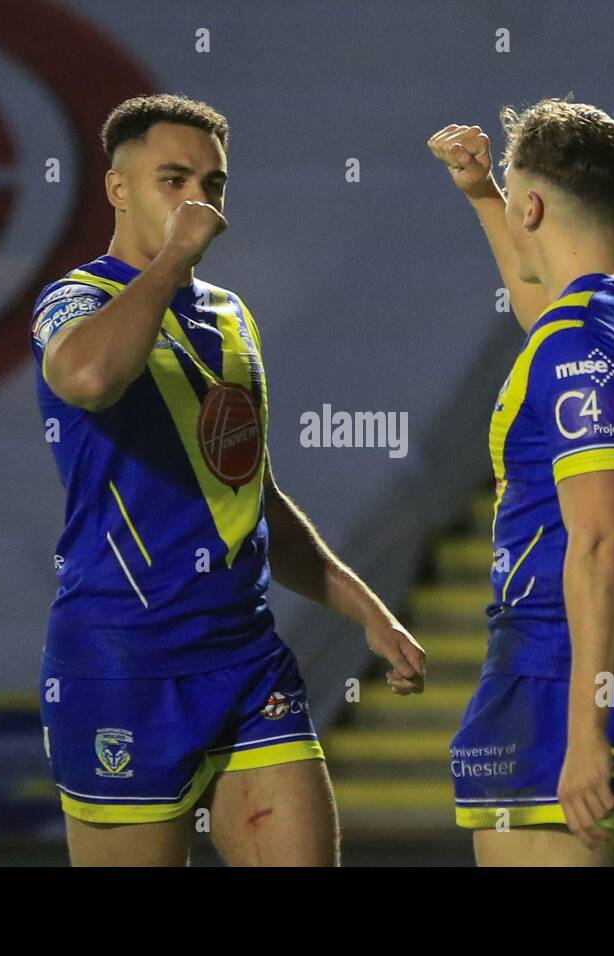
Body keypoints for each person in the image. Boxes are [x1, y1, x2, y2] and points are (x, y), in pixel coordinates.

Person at [31, 93, 425, 866]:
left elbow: (253, 497)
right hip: (125, 665)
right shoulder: (76, 300)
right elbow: (89, 378)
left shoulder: (231, 316)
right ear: (118, 188)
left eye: (212, 185)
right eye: (173, 180)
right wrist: (171, 260)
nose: (197, 202)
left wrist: (367, 611)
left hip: (247, 659)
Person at [426, 99, 614, 866]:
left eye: (516, 196)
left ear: (535, 207)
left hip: (562, 668)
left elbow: (603, 542)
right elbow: (547, 310)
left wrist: (585, 733)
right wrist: (486, 195)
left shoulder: (579, 343)